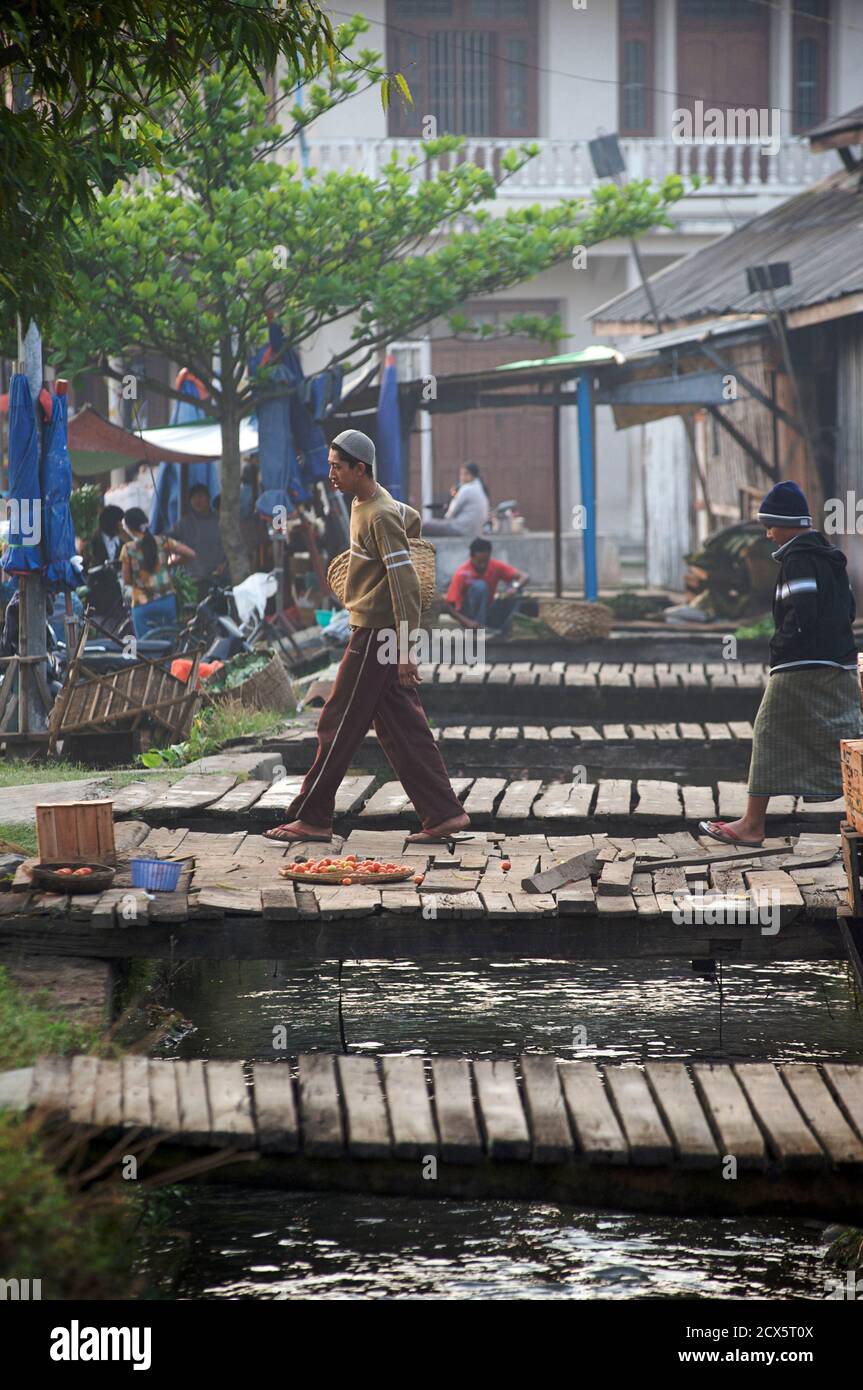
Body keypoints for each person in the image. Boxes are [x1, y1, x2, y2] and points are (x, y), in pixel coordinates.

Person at [264, 428, 470, 845]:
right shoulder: (368, 504)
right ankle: (445, 813)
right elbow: (410, 518)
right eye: (329, 467)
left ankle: (314, 815)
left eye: (338, 468)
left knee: (337, 722)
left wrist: (406, 650)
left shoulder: (379, 513)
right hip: (372, 628)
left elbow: (406, 582)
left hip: (376, 635)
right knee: (403, 728)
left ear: (361, 468)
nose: (331, 475)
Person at [699, 481, 862, 847]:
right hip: (840, 662)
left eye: (770, 525)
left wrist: (780, 648)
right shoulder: (831, 557)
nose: (768, 534)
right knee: (848, 735)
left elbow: (802, 616)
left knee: (769, 731)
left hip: (801, 666)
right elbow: (848, 612)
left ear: (787, 523)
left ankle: (752, 825)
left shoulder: (798, 559)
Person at [120, 507, 195, 638]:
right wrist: (170, 565)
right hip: (166, 600)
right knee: (169, 643)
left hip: (142, 604)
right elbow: (190, 554)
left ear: (129, 528)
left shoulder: (128, 549)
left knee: (148, 647)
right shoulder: (163, 541)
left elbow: (126, 580)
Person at [445, 537, 529, 637]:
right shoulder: (461, 574)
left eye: (485, 561)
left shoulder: (495, 565)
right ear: (472, 557)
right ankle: (478, 628)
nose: (483, 565)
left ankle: (504, 630)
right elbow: (448, 606)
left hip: (488, 610)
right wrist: (467, 622)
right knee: (480, 586)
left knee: (518, 589)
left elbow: (525, 576)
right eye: (479, 562)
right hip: (470, 616)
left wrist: (514, 587)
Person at [170, 483, 226, 596]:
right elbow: (167, 538)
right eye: (194, 497)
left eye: (200, 496)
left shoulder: (220, 521)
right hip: (194, 578)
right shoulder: (184, 523)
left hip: (219, 577)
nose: (197, 500)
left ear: (208, 498)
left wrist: (225, 563)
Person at [423, 461, 490, 537]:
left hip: (461, 529)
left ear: (472, 475)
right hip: (475, 530)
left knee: (425, 526)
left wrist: (444, 520)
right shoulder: (480, 488)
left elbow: (451, 512)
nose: (462, 477)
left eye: (465, 474)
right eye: (461, 474)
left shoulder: (467, 489)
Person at [85, 505, 126, 621]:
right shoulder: (93, 542)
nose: (121, 525)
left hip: (117, 595)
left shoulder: (122, 543)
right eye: (119, 522)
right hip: (98, 593)